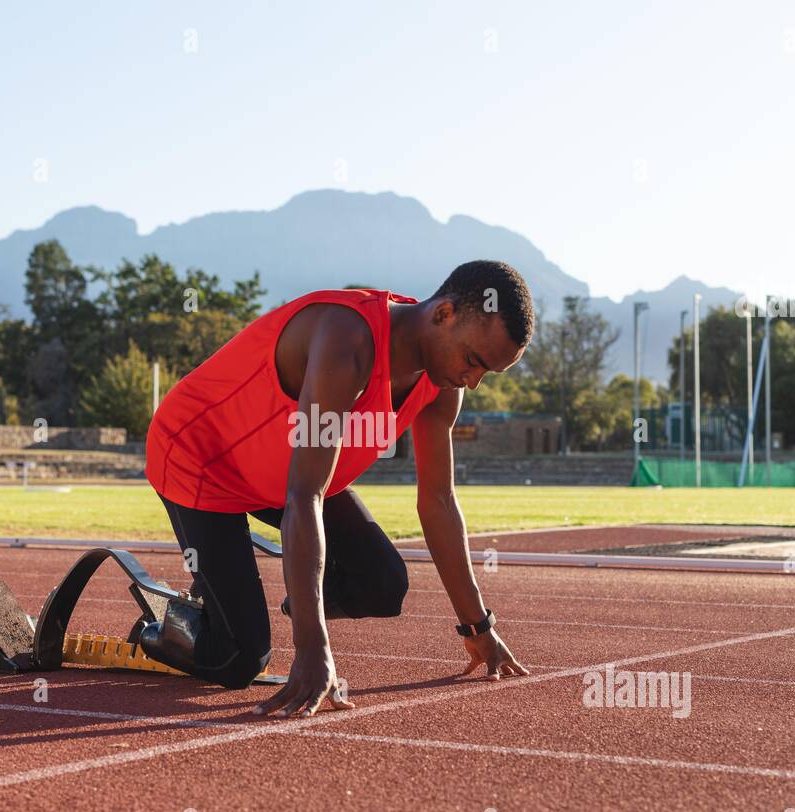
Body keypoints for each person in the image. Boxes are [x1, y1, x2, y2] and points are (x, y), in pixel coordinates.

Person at [142, 260, 534, 718]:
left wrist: (478, 627)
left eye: (488, 373)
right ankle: (161, 624)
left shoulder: (442, 382)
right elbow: (304, 494)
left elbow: (439, 500)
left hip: (283, 475)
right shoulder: (347, 341)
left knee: (382, 585)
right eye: (473, 361)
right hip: (201, 462)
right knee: (239, 660)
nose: (473, 380)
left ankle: (259, 595)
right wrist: (312, 648)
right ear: (444, 314)